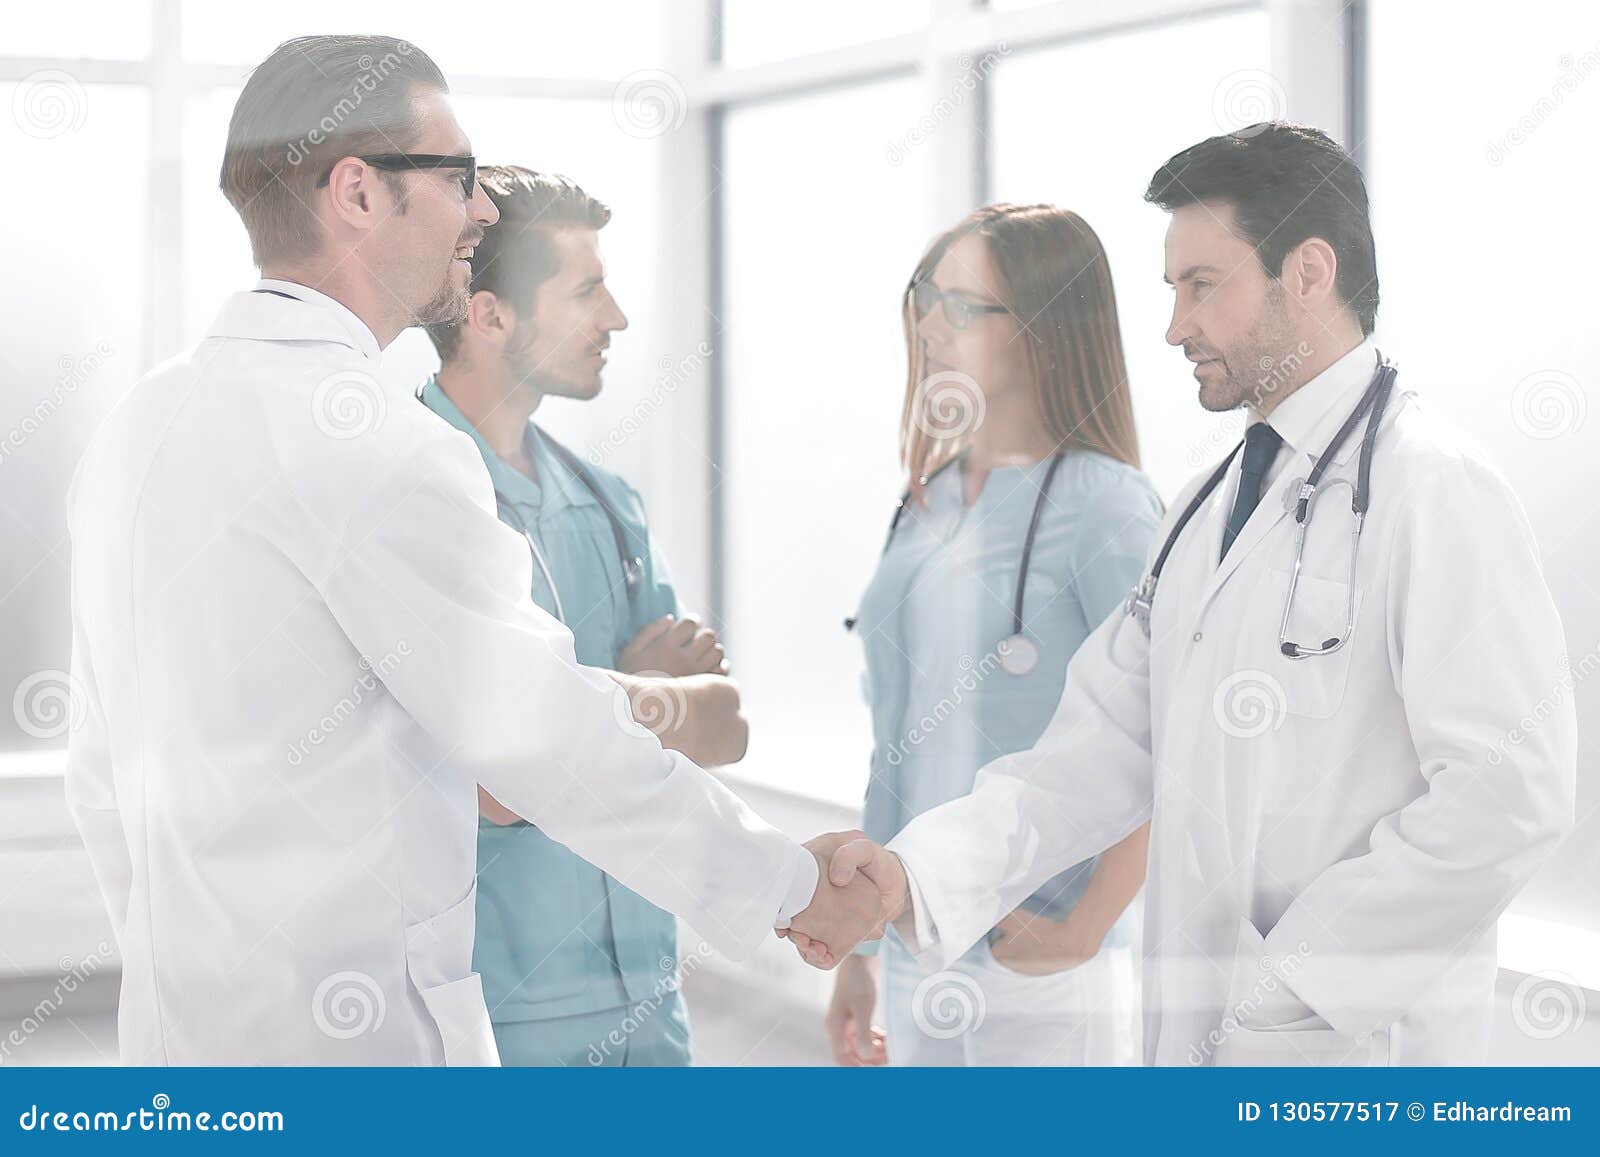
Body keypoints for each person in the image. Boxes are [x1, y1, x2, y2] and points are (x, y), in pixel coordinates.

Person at [63, 34, 879, 1066]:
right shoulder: (377, 442)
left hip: (181, 1044)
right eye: (456, 177)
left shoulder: (137, 427)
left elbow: (100, 778)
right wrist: (792, 886)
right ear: (356, 192)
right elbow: (540, 737)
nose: (482, 208)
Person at [789, 123, 1577, 1066]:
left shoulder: (1433, 487)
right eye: (1172, 290)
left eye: (1203, 285)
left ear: (1309, 273)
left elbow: (1510, 794)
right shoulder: (1205, 509)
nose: (1174, 327)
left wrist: (1293, 989)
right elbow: (1090, 757)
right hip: (1198, 1044)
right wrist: (910, 873)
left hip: (1346, 1056)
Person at [418, 166, 743, 1066]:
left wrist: (576, 717)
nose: (618, 319)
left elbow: (723, 725)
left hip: (647, 996)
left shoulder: (611, 504)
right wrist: (652, 696)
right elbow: (486, 783)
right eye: (587, 290)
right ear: (489, 314)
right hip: (494, 1014)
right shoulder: (407, 496)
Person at [829, 205, 1160, 1067]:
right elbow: (893, 741)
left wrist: (1086, 927)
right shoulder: (925, 501)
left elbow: (1166, 739)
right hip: (914, 944)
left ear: (1045, 328)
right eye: (925, 299)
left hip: (1036, 961)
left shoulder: (1107, 505)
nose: (931, 326)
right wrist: (861, 949)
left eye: (965, 307)